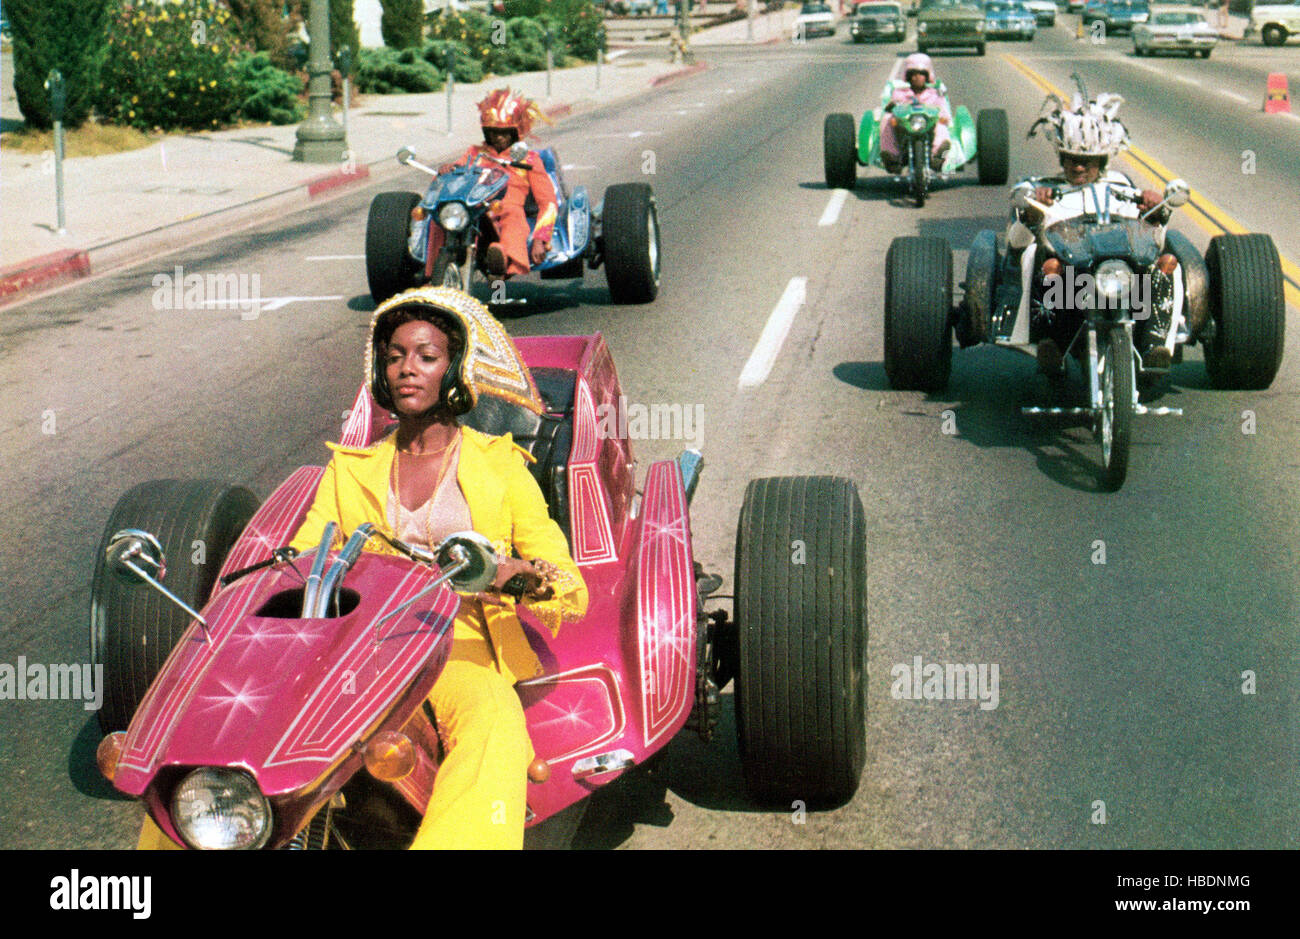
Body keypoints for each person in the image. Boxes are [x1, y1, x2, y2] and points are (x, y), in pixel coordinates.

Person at [136, 287, 587, 851]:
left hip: (455, 643)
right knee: (222, 723)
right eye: (394, 356)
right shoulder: (350, 468)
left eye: (426, 356)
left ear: (457, 370)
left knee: (492, 723)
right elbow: (302, 557)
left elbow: (568, 587)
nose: (406, 369)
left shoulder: (501, 467)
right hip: (351, 643)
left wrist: (505, 573)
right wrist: (270, 578)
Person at [1011, 90, 1169, 374]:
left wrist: (1156, 210)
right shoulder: (1040, 187)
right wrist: (1033, 211)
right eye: (1071, 159)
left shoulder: (1122, 186)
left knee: (1166, 264)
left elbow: (1150, 234)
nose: (1079, 166)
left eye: (1089, 160)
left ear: (1103, 161)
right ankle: (1050, 342)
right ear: (1062, 158)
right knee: (1042, 259)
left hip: (1118, 269)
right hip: (1071, 277)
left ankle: (1154, 342)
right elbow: (1015, 244)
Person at [438, 89, 559, 278]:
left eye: (504, 133)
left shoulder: (529, 159)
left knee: (512, 217)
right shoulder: (476, 152)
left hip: (509, 210)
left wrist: (540, 239)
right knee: (441, 212)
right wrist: (449, 169)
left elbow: (548, 202)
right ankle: (431, 272)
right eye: (493, 132)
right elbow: (459, 168)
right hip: (474, 206)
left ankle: (502, 271)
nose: (498, 138)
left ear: (515, 133)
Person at [879, 53, 952, 174]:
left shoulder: (934, 94)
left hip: (929, 125)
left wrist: (944, 117)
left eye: (921, 74)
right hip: (906, 126)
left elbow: (943, 108)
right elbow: (894, 104)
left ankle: (938, 154)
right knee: (887, 118)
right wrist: (891, 106)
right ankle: (891, 156)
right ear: (908, 77)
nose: (916, 78)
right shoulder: (900, 93)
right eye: (912, 74)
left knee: (941, 124)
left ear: (927, 76)